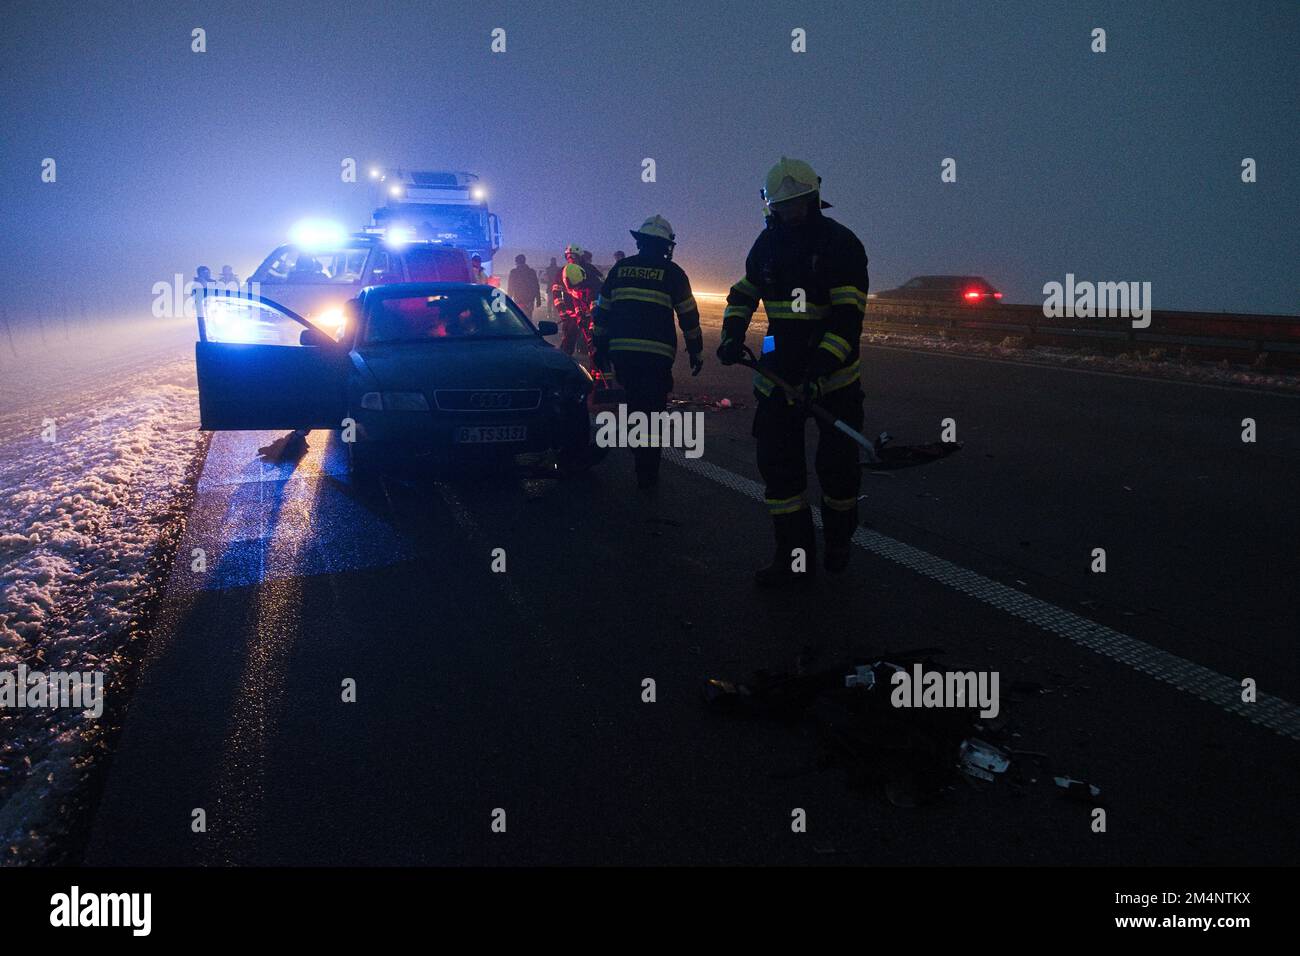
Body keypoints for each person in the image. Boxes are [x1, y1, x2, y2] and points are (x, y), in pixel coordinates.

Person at [716, 158, 869, 586]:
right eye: (783, 207)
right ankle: (793, 560)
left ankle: (839, 539)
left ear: (814, 199)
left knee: (839, 474)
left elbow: (846, 320)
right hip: (779, 379)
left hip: (834, 381)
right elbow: (743, 293)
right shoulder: (766, 246)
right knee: (781, 476)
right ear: (771, 207)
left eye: (798, 204)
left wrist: (819, 373)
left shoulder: (841, 245)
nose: (792, 213)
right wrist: (731, 333)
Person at [592, 216, 703, 490]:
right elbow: (688, 316)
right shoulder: (673, 273)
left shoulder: (620, 269)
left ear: (640, 242)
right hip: (657, 358)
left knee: (633, 403)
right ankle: (647, 468)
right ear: (666, 246)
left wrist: (600, 346)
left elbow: (602, 312)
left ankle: (636, 443)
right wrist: (696, 350)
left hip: (623, 355)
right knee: (652, 411)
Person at [554, 244, 599, 357]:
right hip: (571, 312)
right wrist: (563, 313)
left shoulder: (589, 271)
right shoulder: (562, 272)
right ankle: (564, 362)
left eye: (573, 256)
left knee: (592, 341)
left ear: (580, 257)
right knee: (568, 340)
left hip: (588, 310)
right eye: (568, 257)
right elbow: (556, 293)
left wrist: (592, 315)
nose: (571, 259)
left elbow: (595, 292)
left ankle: (595, 365)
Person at [507, 254, 542, 319]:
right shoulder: (531, 272)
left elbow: (510, 287)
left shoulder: (514, 272)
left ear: (516, 262)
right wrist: (538, 299)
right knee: (528, 319)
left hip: (518, 299)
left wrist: (509, 300)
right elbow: (536, 286)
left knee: (519, 319)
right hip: (529, 300)